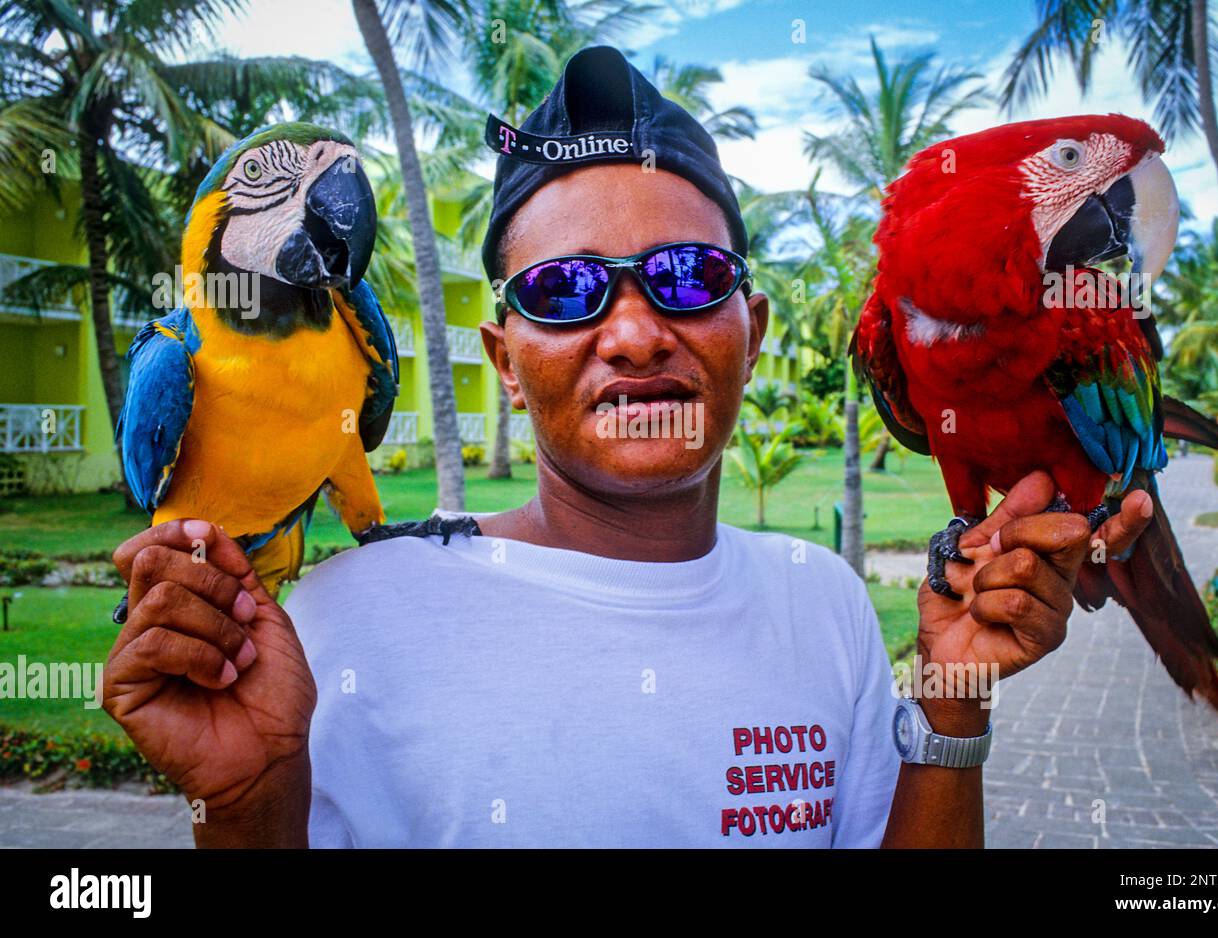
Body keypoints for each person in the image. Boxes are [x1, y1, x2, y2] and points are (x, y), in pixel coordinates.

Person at [103, 46, 1151, 848]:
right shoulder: (328, 626)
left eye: (691, 276)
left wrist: (951, 701)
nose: (638, 329)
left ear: (755, 329)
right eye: (564, 291)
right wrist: (242, 804)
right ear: (504, 362)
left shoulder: (823, 600)